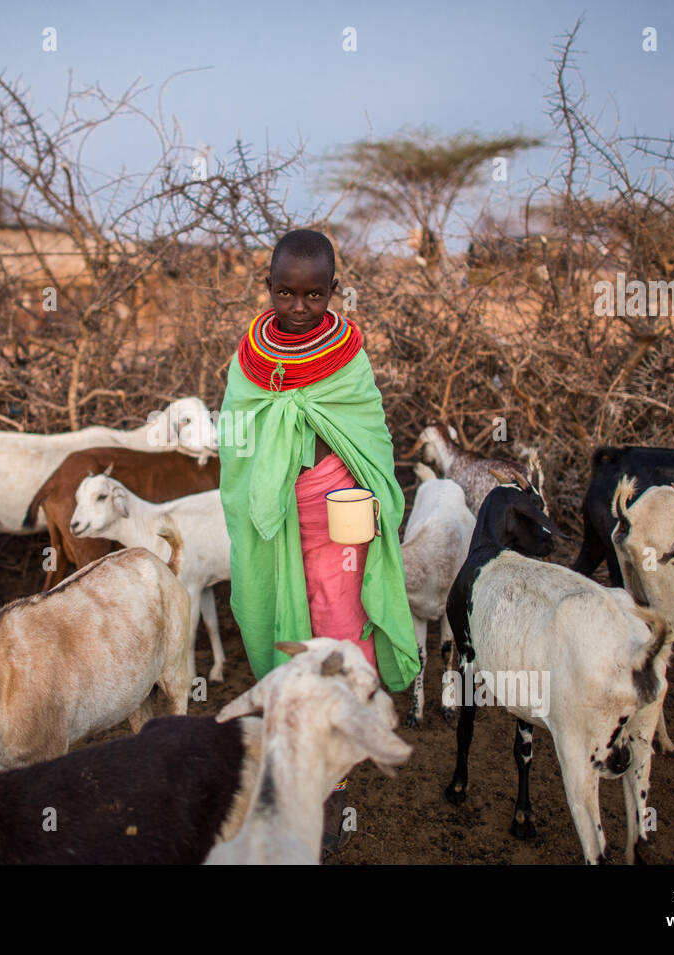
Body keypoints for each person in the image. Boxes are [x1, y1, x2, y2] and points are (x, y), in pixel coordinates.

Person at [217, 228, 419, 852]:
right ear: (268, 288)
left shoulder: (349, 358)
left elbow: (371, 432)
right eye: (285, 292)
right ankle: (297, 721)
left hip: (338, 518)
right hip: (274, 516)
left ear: (335, 290)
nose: (299, 307)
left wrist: (374, 492)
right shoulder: (249, 359)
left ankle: (330, 765)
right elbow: (236, 436)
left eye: (313, 294)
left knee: (334, 623)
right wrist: (275, 439)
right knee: (284, 618)